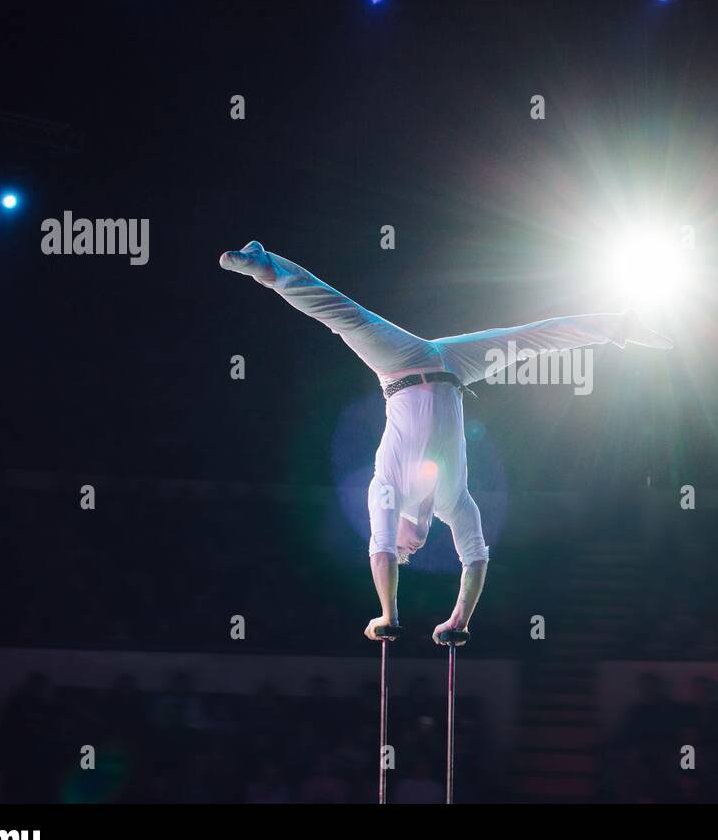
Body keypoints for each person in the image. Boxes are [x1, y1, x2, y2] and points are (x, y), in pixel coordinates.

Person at [219, 240, 672, 645]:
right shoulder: (453, 503)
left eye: (401, 552)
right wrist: (459, 619)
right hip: (454, 369)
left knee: (346, 318)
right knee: (529, 339)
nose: (405, 552)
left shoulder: (385, 492)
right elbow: (475, 562)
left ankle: (267, 268)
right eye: (408, 555)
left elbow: (380, 553)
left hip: (398, 365)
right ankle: (620, 328)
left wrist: (387, 616)